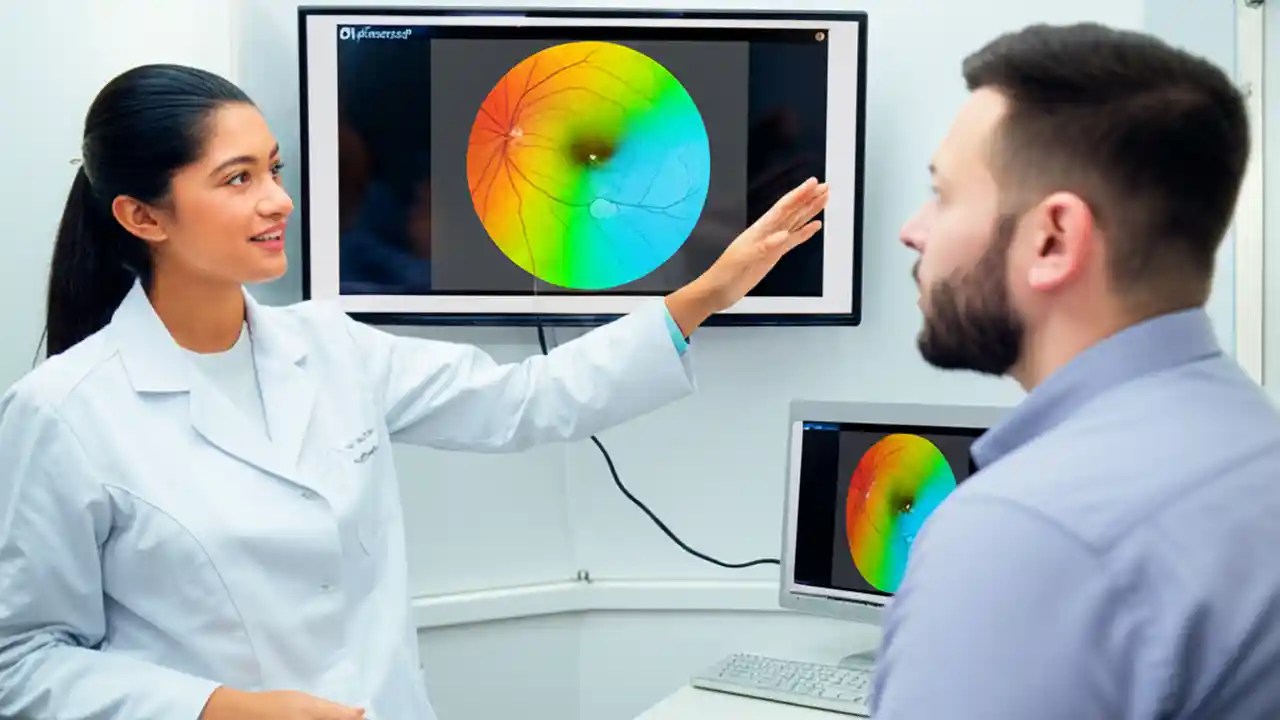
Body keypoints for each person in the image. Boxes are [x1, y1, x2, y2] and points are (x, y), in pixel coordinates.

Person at [0, 64, 828, 720]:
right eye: (237, 178)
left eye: (275, 170)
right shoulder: (65, 412)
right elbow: (23, 662)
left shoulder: (326, 346)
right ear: (145, 218)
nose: (278, 200)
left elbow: (524, 400)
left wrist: (706, 294)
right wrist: (218, 709)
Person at [875, 22, 1280, 719]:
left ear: (1054, 239)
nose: (915, 229)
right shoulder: (1253, 447)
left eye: (942, 193)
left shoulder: (1026, 535)